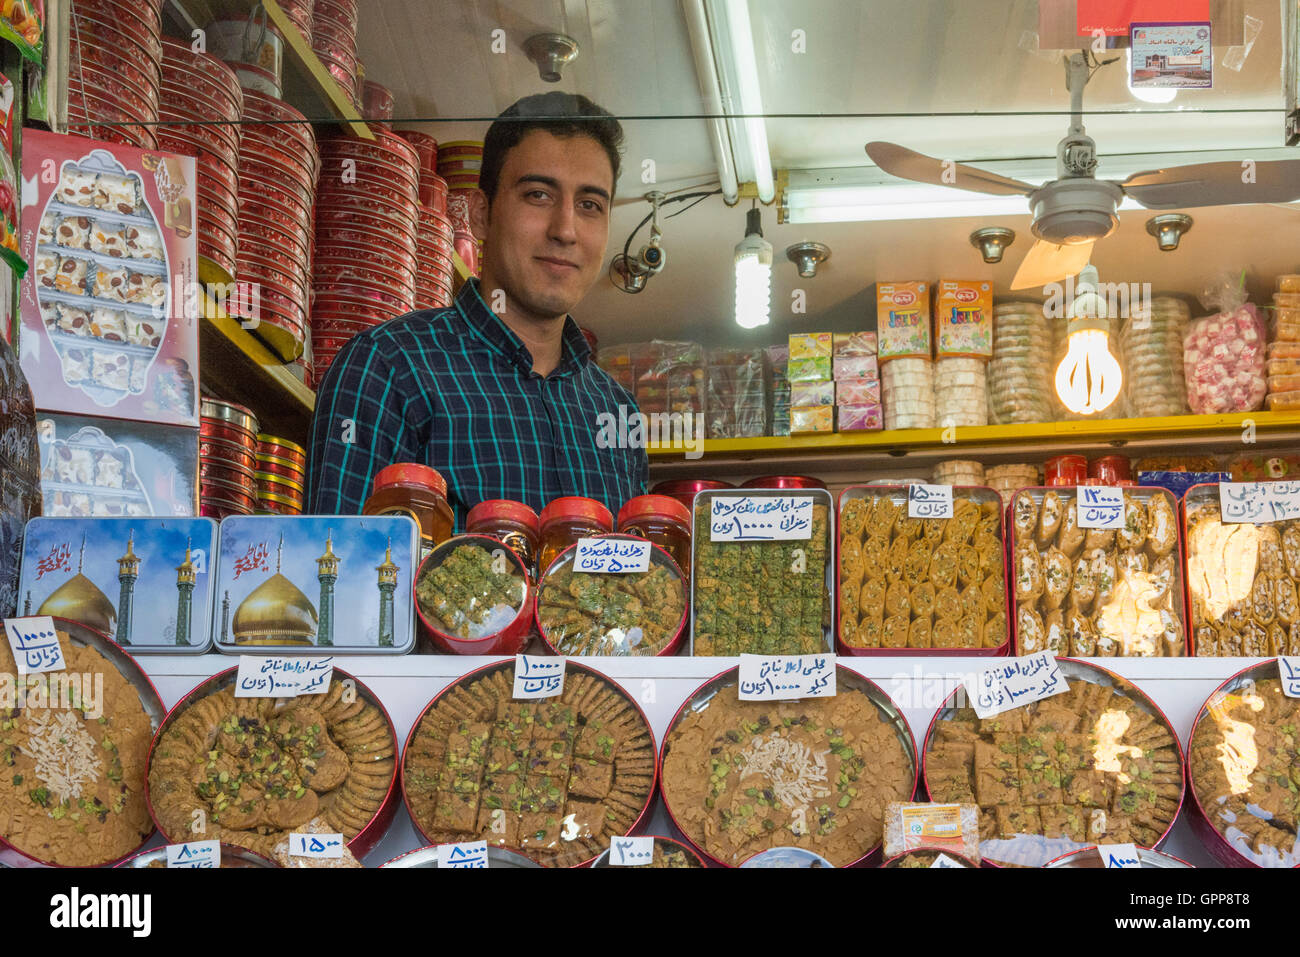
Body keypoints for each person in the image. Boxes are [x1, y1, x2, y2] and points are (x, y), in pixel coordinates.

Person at [306, 92, 647, 526]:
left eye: (590, 205)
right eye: (538, 195)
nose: (565, 229)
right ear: (481, 214)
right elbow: (338, 571)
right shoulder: (387, 366)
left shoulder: (617, 411)